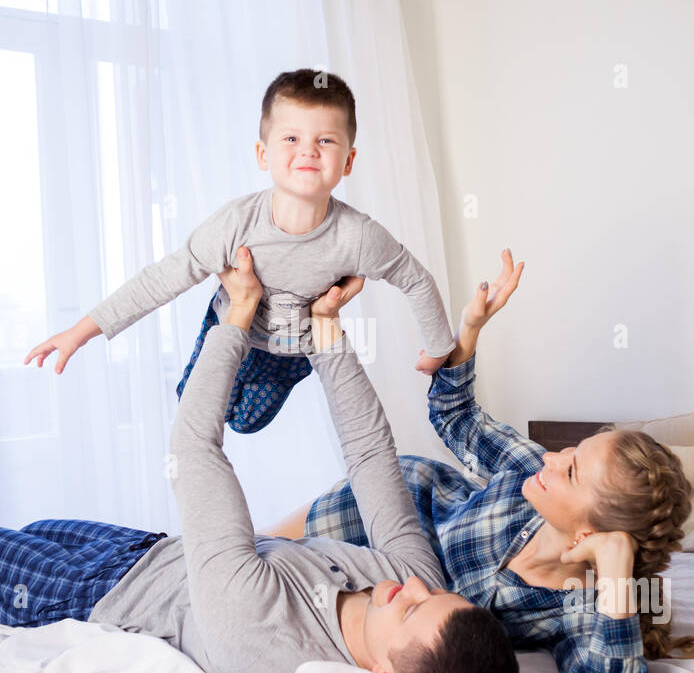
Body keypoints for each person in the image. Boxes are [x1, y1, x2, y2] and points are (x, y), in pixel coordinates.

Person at [0, 249, 521, 673]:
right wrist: (325, 331)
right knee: (32, 529)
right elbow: (370, 455)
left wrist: (237, 317)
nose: (411, 587)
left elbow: (195, 448)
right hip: (151, 551)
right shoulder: (412, 585)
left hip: (96, 594)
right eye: (434, 595)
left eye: (413, 611)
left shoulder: (262, 631)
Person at [266, 250, 694, 673]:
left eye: (570, 470)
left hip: (388, 588)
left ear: (588, 535)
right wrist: (469, 332)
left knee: (271, 601)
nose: (552, 457)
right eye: (572, 449)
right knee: (250, 554)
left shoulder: (577, 609)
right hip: (390, 506)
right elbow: (457, 418)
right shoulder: (530, 473)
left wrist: (615, 576)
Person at [23, 68, 456, 434]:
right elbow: (163, 278)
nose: (308, 149)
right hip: (229, 324)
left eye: (325, 141)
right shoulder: (236, 223)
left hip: (289, 348)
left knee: (247, 421)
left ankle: (262, 387)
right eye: (291, 138)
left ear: (348, 161)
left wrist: (438, 347)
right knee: (196, 408)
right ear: (262, 154)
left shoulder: (358, 235)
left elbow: (414, 278)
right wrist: (80, 332)